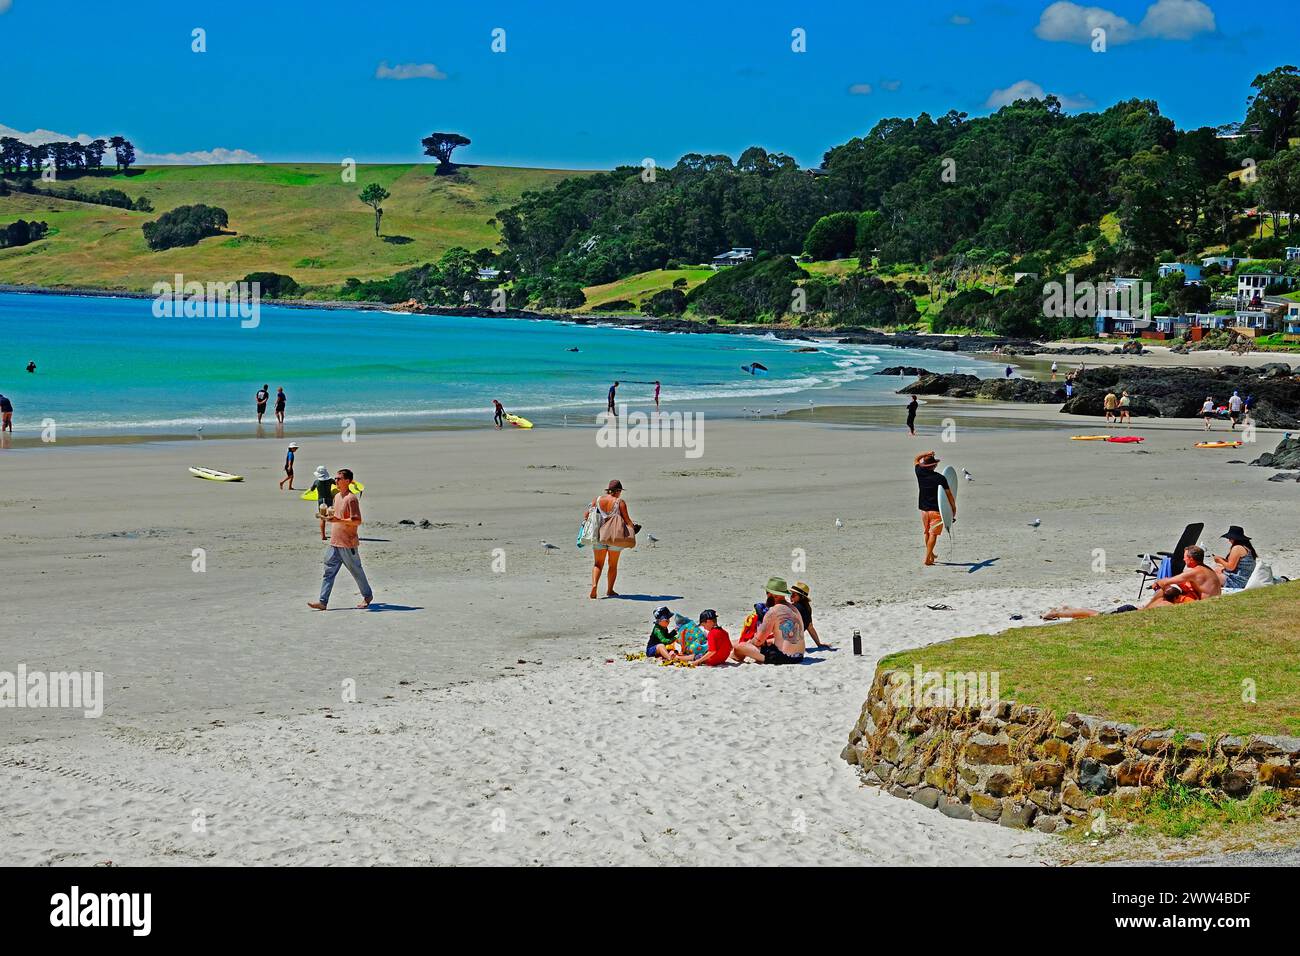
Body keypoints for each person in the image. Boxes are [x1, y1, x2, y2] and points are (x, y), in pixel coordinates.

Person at [308, 468, 373, 610]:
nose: (336, 481)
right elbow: (336, 517)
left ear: (347, 481)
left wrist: (338, 520)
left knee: (356, 571)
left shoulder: (351, 499)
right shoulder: (337, 496)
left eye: (339, 478)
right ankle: (322, 602)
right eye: (335, 478)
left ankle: (367, 596)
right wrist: (325, 517)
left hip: (348, 543)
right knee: (328, 572)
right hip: (334, 543)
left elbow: (357, 521)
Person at [730, 577, 805, 665]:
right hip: (799, 656)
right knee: (767, 641)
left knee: (740, 646)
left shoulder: (774, 611)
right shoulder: (793, 608)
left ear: (771, 594)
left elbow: (758, 641)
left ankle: (733, 656)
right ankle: (731, 645)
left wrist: (749, 643)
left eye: (767, 593)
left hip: (785, 657)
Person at [587, 479, 638, 599]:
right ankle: (610, 590)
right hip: (615, 538)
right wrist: (632, 530)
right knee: (612, 565)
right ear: (619, 491)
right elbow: (627, 520)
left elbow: (587, 515)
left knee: (598, 564)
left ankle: (594, 585)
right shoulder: (620, 502)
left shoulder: (597, 500)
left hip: (599, 536)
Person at [914, 451, 955, 567]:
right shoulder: (940, 478)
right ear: (935, 466)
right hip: (936, 511)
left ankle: (930, 554)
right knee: (933, 534)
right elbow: (949, 495)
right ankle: (927, 558)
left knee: (927, 532)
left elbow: (916, 460)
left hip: (923, 510)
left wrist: (926, 453)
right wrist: (953, 508)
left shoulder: (919, 472)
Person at [1151, 545, 1221, 601]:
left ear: (1191, 559)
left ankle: (1145, 609)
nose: (1183, 559)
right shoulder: (1206, 569)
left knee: (1164, 591)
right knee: (1182, 585)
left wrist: (1157, 583)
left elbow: (1166, 581)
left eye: (1185, 557)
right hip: (1215, 601)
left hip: (1206, 604)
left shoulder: (1194, 572)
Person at [789, 581, 832, 649]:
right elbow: (810, 627)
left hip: (787, 641)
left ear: (802, 597)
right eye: (790, 594)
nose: (791, 596)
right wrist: (819, 644)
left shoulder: (794, 608)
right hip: (796, 643)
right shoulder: (807, 608)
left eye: (794, 594)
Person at [311, 465, 334, 541]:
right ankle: (335, 534)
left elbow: (311, 489)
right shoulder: (330, 480)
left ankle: (323, 536)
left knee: (322, 517)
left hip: (321, 500)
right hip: (329, 499)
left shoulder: (316, 482)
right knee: (332, 516)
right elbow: (337, 484)